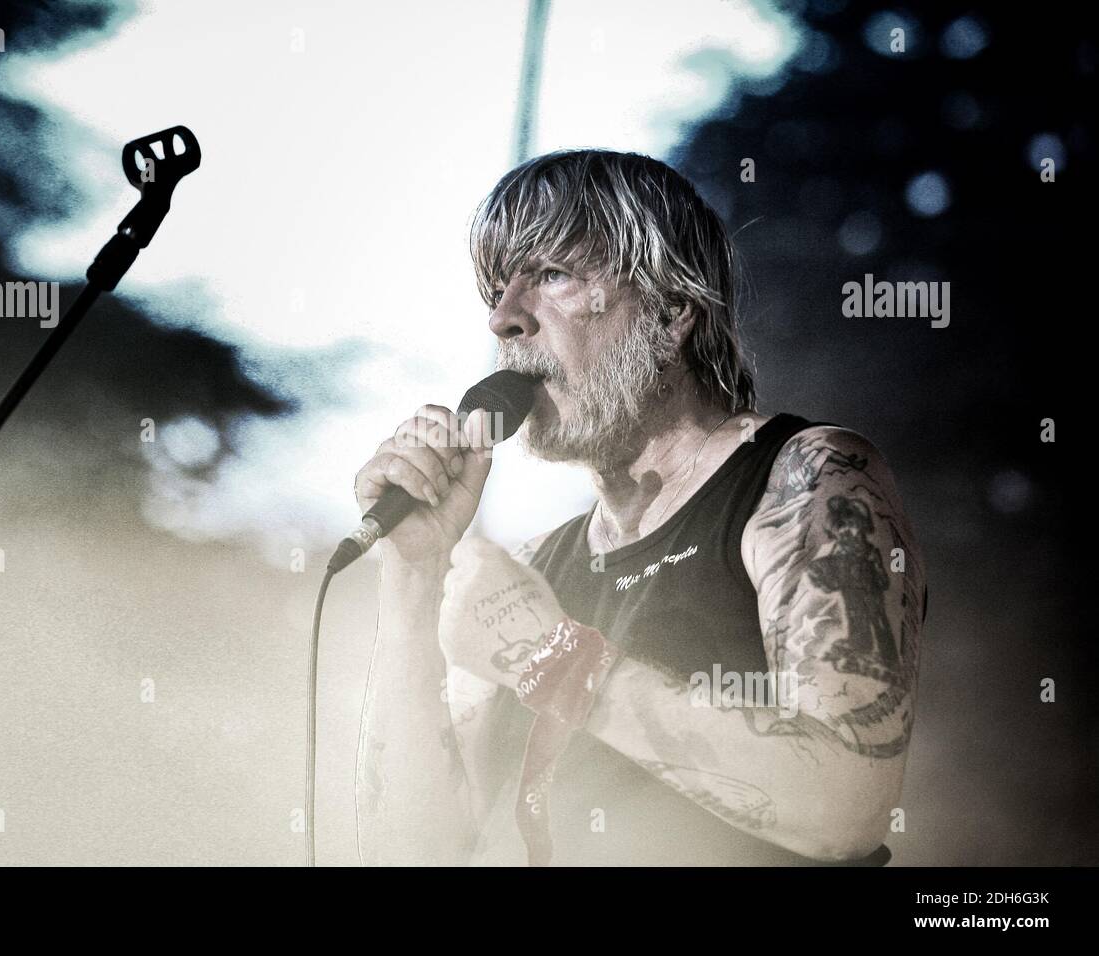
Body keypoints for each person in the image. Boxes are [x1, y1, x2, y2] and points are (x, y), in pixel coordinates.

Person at [353, 149, 927, 866]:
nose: (504, 319)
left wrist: (551, 656)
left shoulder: (808, 479)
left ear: (672, 310)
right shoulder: (533, 573)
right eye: (498, 291)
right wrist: (411, 580)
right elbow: (408, 855)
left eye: (553, 275)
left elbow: (845, 810)